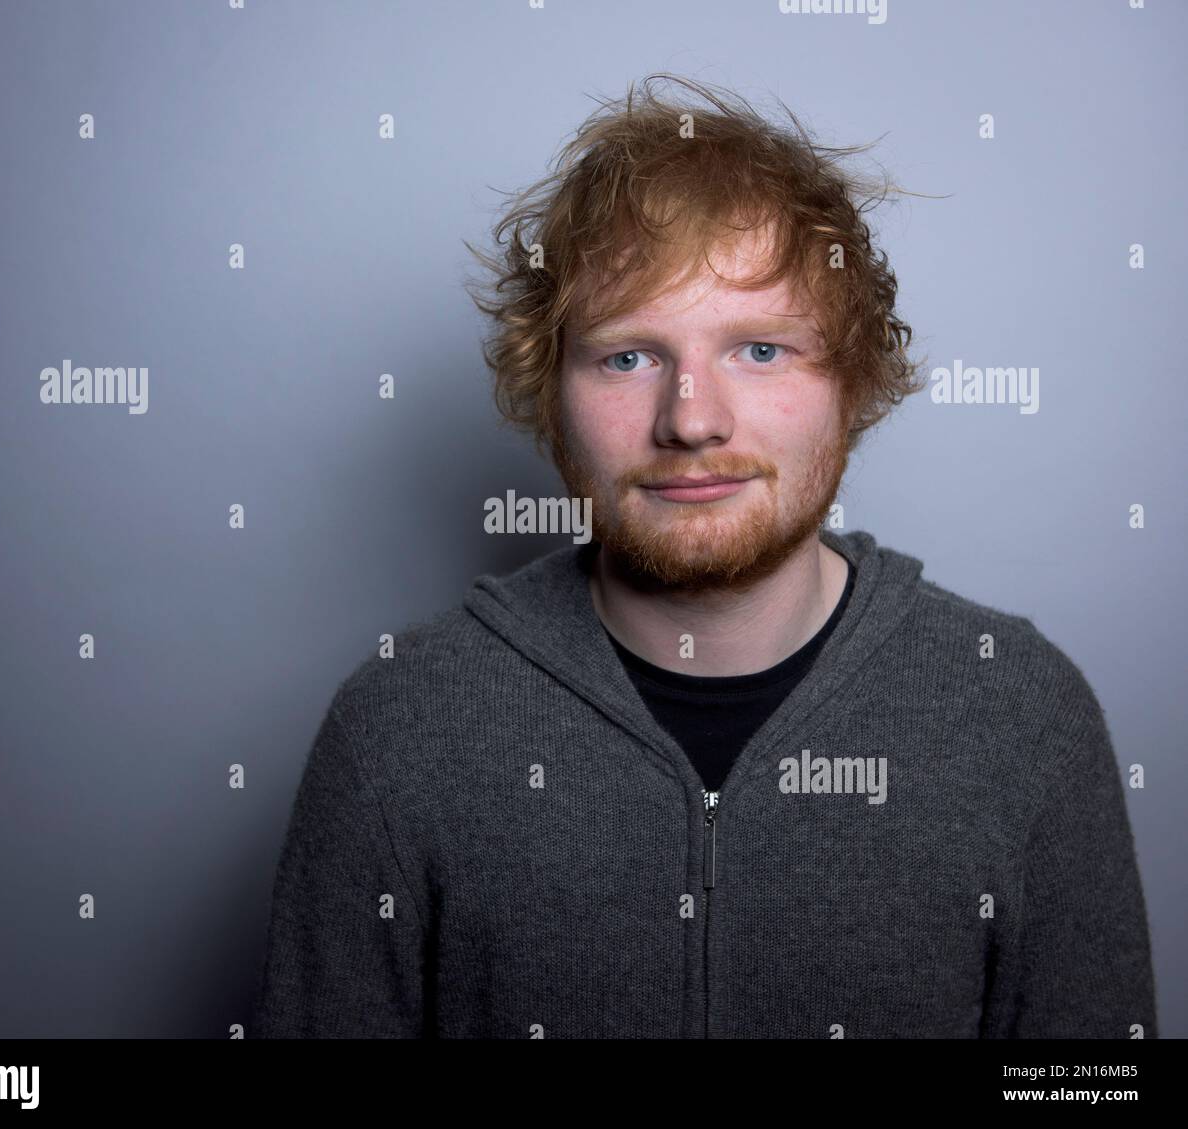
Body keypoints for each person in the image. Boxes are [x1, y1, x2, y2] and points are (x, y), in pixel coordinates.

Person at [251, 74, 1156, 1039]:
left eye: (760, 350)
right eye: (628, 356)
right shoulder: (398, 725)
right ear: (551, 397)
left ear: (852, 381)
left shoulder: (1022, 713)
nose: (691, 419)